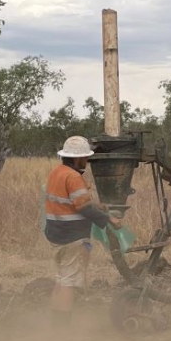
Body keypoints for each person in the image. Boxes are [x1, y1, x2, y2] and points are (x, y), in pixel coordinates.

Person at [43, 136, 121, 324]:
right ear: (77, 158)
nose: (86, 160)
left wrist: (96, 206)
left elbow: (73, 201)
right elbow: (83, 208)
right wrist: (109, 219)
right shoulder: (74, 177)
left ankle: (54, 326)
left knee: (61, 279)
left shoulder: (56, 173)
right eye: (85, 157)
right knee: (69, 283)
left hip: (55, 234)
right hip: (72, 237)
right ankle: (62, 329)